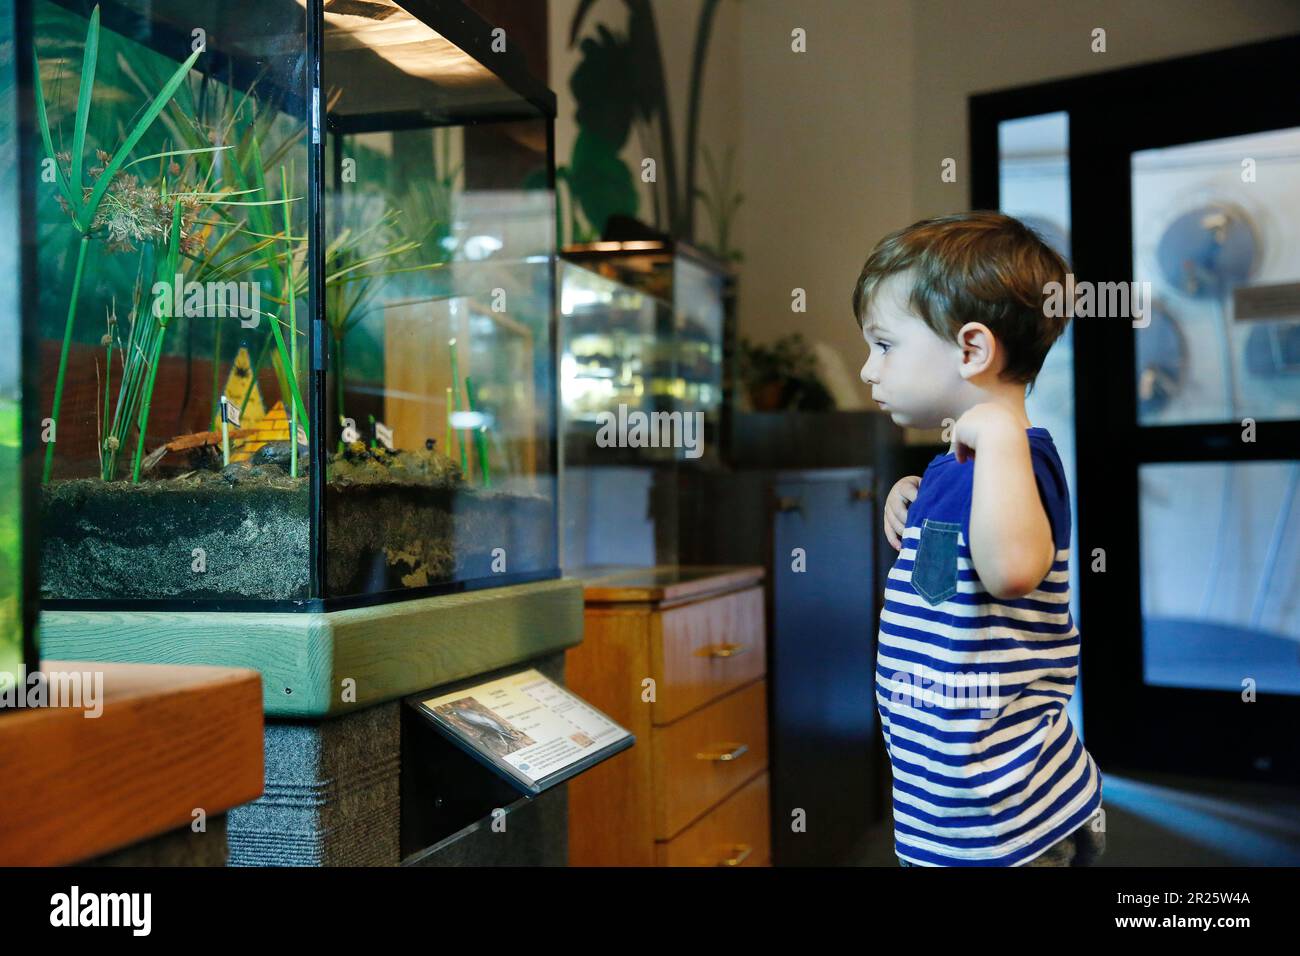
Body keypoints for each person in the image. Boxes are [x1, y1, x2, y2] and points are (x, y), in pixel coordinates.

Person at [853, 211, 1105, 866]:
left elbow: (1013, 568)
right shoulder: (956, 467)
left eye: (883, 345)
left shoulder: (1018, 457)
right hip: (947, 807)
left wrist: (995, 433)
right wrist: (912, 496)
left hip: (1018, 818)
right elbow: (950, 583)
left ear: (970, 351)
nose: (867, 371)